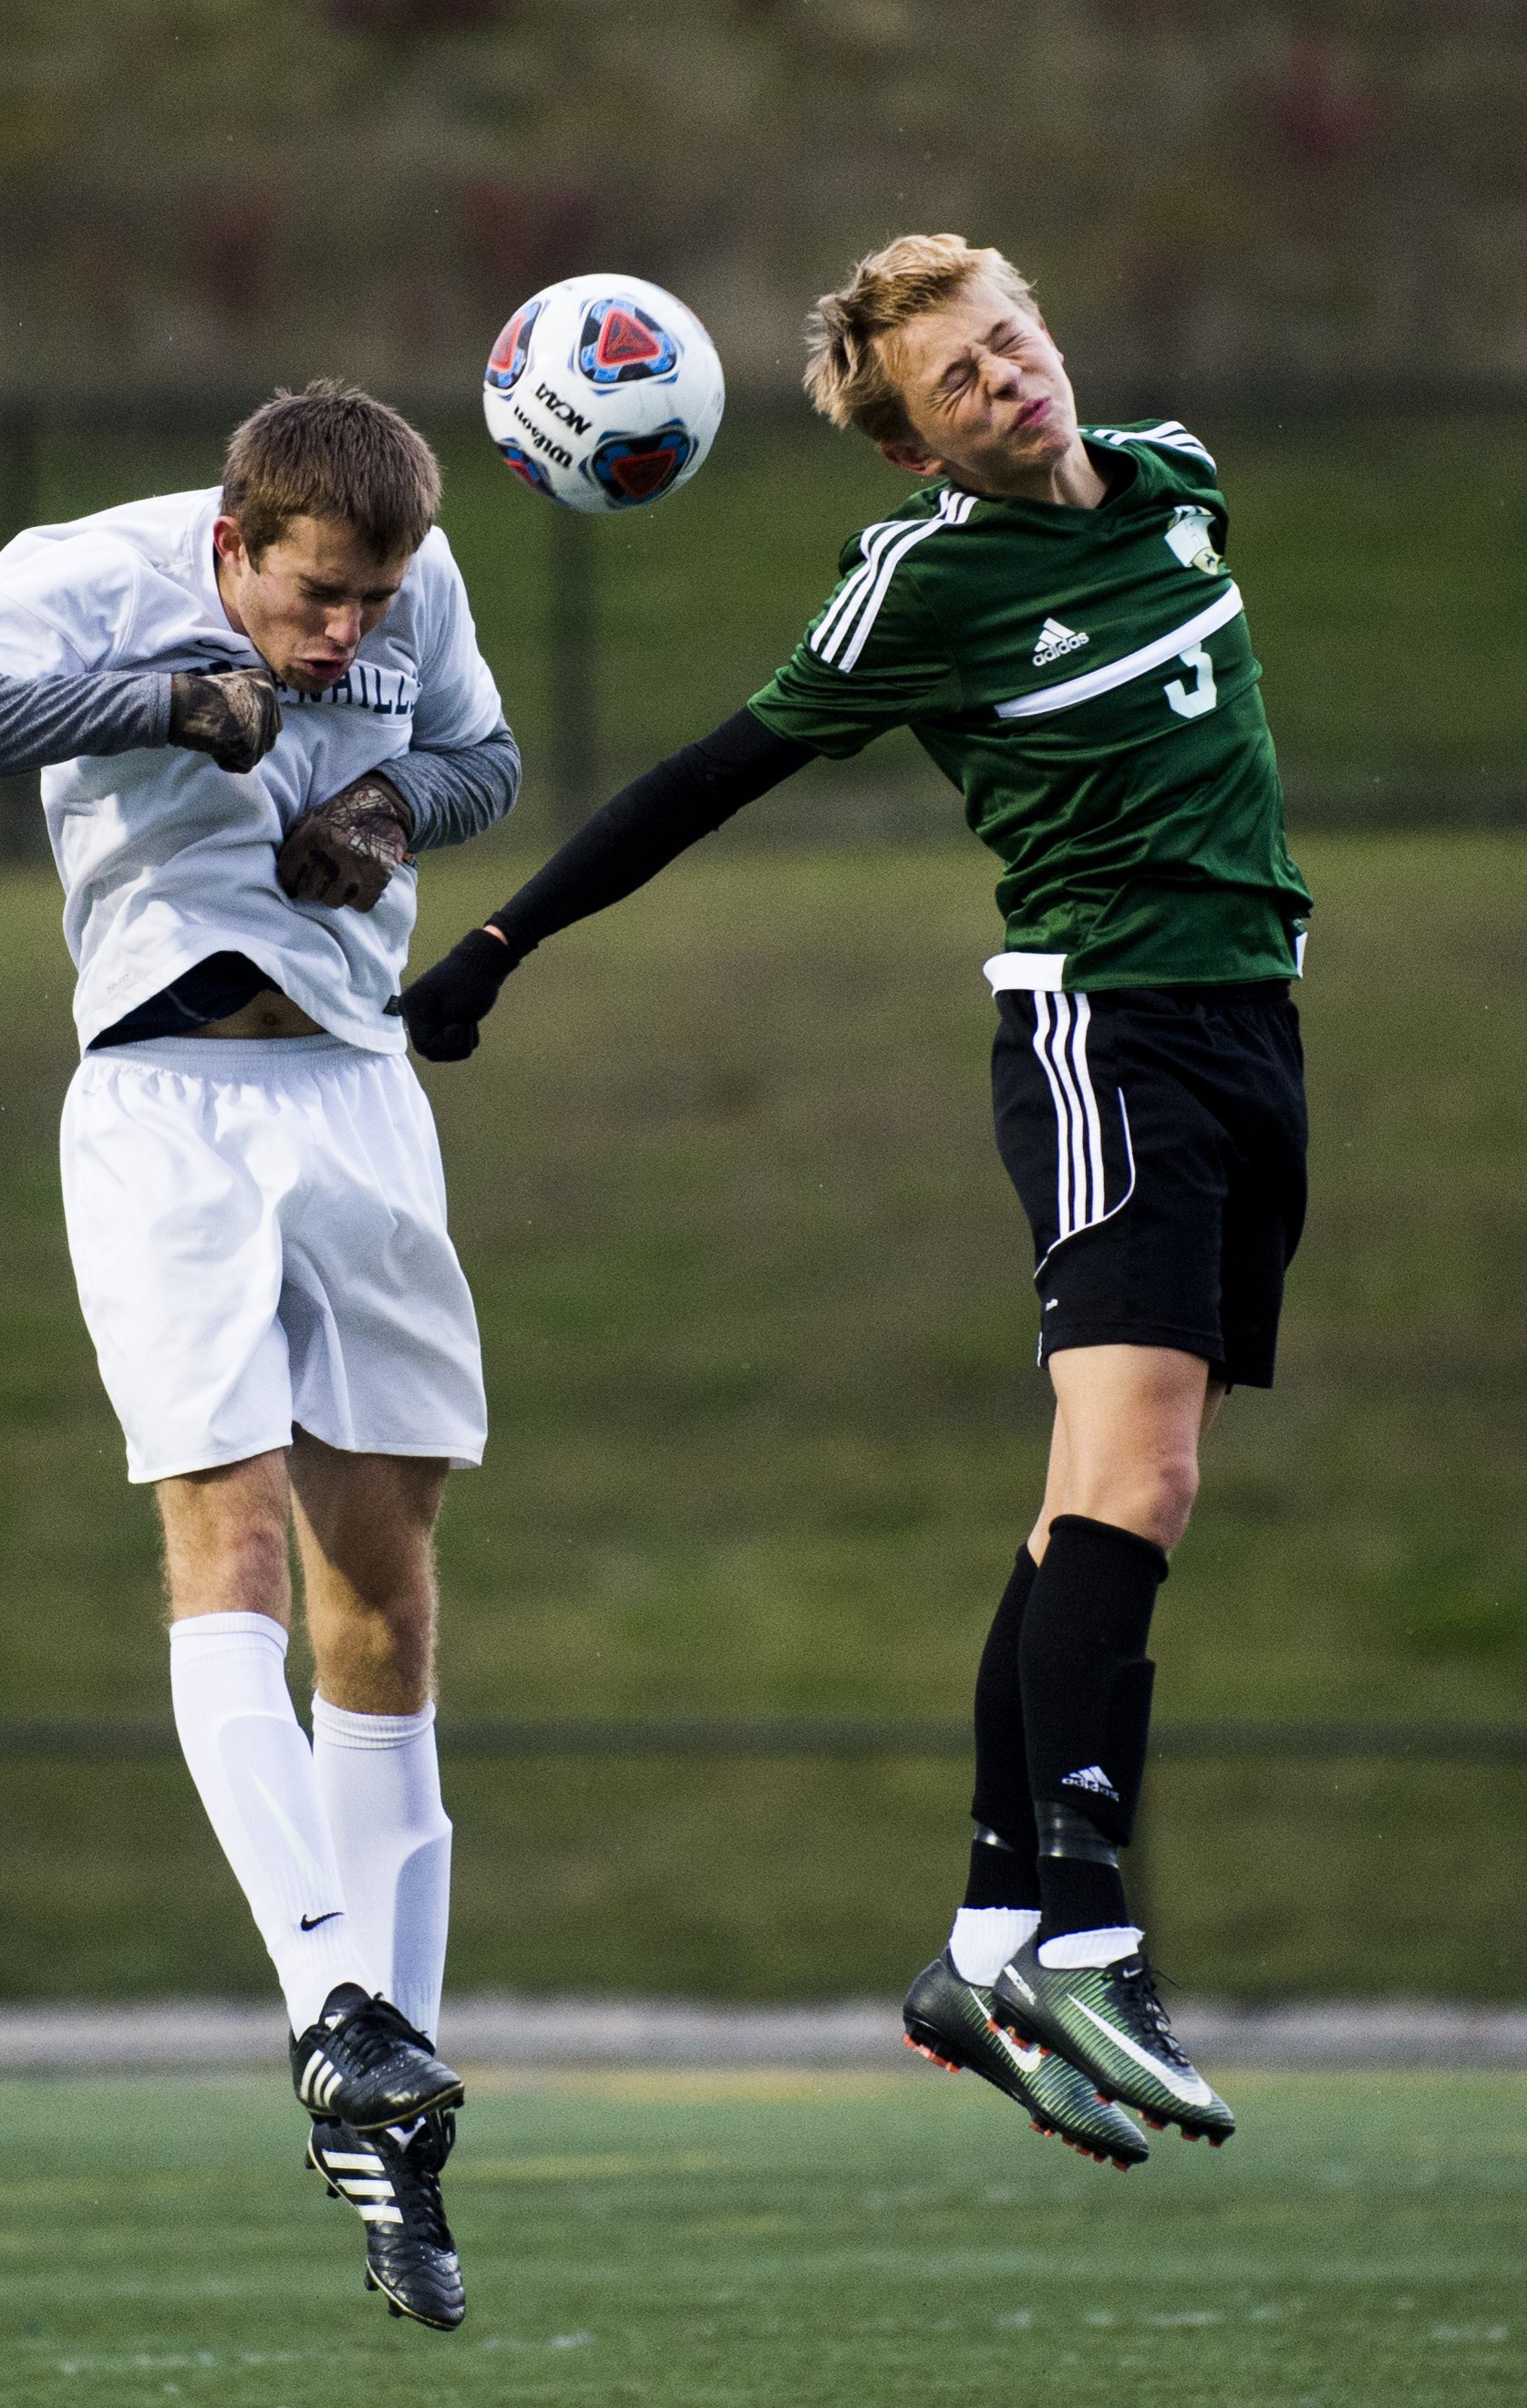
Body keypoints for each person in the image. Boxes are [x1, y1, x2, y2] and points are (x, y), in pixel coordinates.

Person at [400, 235, 1313, 2165]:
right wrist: (498, 942)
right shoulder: (923, 576)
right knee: (1131, 1483)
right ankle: (1089, 1928)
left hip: (1253, 1037)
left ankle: (983, 1938)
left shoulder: (1172, 478)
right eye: (957, 384)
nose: (1005, 383)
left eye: (1009, 343)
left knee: (1105, 1498)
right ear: (914, 453)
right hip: (1103, 1034)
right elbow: (706, 775)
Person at [0, 380, 520, 2327]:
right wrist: (152, 702)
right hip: (162, 1112)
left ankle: (398, 2115)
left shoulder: (415, 589)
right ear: (232, 544)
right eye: (312, 605)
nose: (343, 641)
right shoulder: (91, 575)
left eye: (369, 611)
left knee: (382, 1602)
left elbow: (482, 758)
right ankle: (333, 2009)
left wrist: (397, 801)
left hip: (362, 1100)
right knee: (221, 1545)